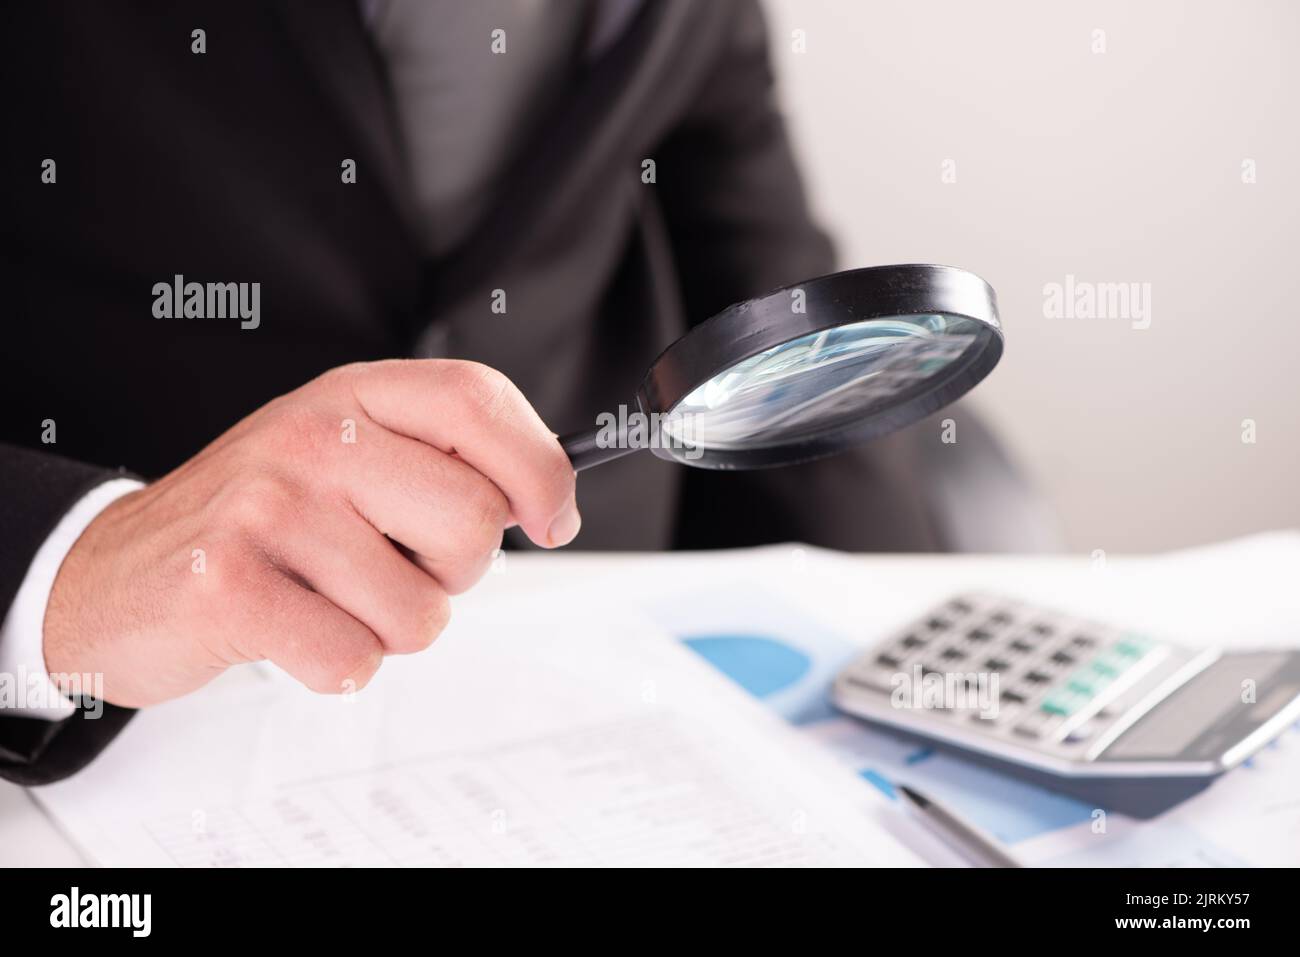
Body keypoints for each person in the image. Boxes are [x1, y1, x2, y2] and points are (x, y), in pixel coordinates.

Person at [0, 0, 1026, 784]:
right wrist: (71, 574)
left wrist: (900, 668)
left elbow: (749, 259)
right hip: (128, 722)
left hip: (598, 671)